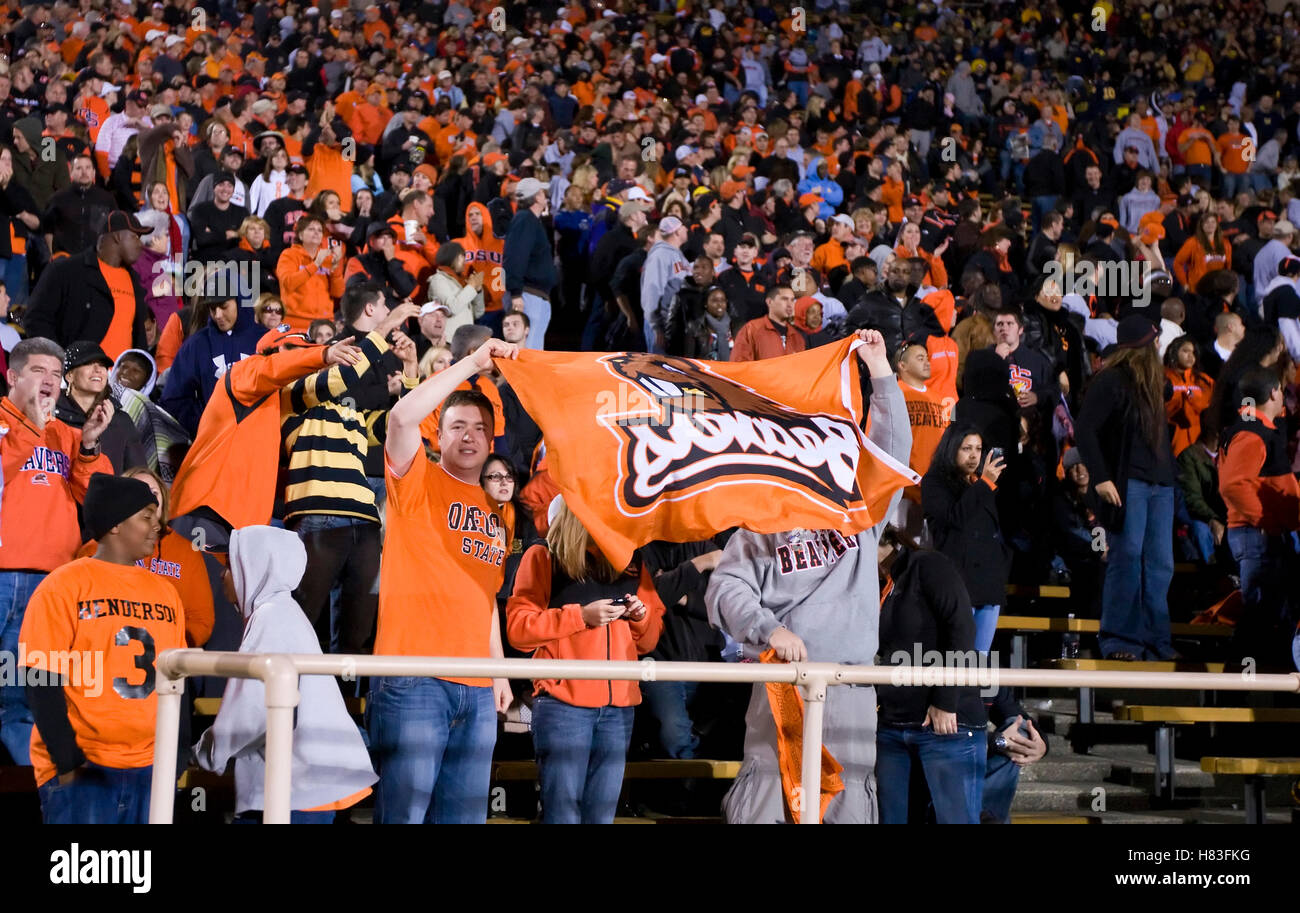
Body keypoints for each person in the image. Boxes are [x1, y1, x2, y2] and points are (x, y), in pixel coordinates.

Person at [706, 328, 911, 824]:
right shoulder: (765, 518)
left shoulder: (862, 507)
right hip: (782, 686)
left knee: (848, 804)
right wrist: (768, 629)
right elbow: (723, 588)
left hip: (850, 688)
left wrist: (880, 370)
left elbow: (893, 452)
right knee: (765, 804)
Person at [368, 333, 518, 824]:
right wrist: (472, 365)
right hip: (413, 679)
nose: (469, 436)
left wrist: (497, 670)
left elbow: (487, 596)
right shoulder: (417, 477)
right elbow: (399, 417)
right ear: (439, 435)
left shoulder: (501, 512)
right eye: (457, 427)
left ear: (491, 441)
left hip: (476, 687)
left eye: (478, 428)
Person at [21, 473, 185, 823]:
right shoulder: (63, 586)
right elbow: (41, 679)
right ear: (115, 525)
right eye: (146, 516)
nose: (158, 525)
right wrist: (67, 761)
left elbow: (177, 678)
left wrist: (176, 755)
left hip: (150, 766)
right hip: (85, 767)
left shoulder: (167, 592)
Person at [193, 525, 377, 823]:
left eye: (229, 566)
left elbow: (248, 713)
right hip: (308, 783)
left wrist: (206, 753)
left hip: (295, 789)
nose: (222, 575)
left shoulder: (270, 618)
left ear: (254, 568)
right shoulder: (285, 612)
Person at [506, 496, 664, 823]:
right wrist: (580, 617)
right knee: (562, 814)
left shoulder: (630, 561)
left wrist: (639, 617)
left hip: (619, 708)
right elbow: (519, 630)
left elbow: (649, 640)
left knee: (601, 816)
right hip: (564, 706)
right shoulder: (543, 556)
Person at [282, 292, 420, 656]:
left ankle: (342, 710)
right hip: (318, 516)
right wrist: (388, 324)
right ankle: (288, 708)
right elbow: (343, 377)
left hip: (365, 523)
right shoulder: (294, 394)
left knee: (356, 637)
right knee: (302, 622)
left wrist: (411, 370)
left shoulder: (351, 413)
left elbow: (399, 423)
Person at [0, 338, 114, 764]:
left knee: (28, 697)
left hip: (52, 582)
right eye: (36, 372)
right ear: (12, 376)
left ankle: (35, 786)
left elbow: (98, 497)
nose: (48, 382)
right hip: (4, 575)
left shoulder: (66, 433)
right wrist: (31, 426)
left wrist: (87, 447)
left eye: (54, 373)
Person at [1074, 315, 1178, 661]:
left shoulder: (1155, 385)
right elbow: (1085, 430)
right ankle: (1120, 639)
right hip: (1127, 481)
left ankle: (1156, 641)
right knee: (1128, 557)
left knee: (1160, 564)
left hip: (1160, 484)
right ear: (1144, 348)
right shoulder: (1111, 382)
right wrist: (1101, 477)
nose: (1160, 347)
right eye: (1155, 341)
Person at [874, 525, 985, 824]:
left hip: (945, 724)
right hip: (891, 726)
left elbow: (962, 628)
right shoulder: (868, 584)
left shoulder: (927, 565)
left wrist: (945, 700)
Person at [1218, 367, 1300, 668]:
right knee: (1257, 619)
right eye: (1283, 391)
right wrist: (1265, 521)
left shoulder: (1256, 428)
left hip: (1265, 535)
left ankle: (1266, 701)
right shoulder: (1251, 431)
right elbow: (1232, 484)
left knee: (1272, 619)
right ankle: (1232, 702)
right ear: (1273, 392)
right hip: (1258, 537)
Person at [920, 424, 1010, 653]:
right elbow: (954, 518)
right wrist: (985, 484)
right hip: (960, 583)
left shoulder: (980, 483)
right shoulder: (935, 482)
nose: (974, 455)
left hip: (988, 585)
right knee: (957, 658)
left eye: (978, 449)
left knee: (978, 663)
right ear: (951, 449)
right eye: (966, 448)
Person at [24, 211, 151, 360]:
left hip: (121, 379)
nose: (140, 244)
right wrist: (61, 361)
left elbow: (138, 336)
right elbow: (35, 319)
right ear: (117, 236)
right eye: (135, 237)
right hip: (78, 377)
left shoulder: (134, 280)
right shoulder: (66, 271)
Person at [159, 296, 266, 436]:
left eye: (223, 306)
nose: (218, 315)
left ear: (239, 301)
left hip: (258, 438)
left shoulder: (265, 340)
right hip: (212, 441)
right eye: (212, 308)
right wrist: (203, 423)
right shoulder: (197, 344)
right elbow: (174, 398)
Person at [54, 340, 147, 474]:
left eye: (103, 365)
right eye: (89, 363)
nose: (98, 370)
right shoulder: (51, 417)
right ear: (69, 375)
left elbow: (137, 474)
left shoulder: (120, 421)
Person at [503, 177, 555, 350]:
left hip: (534, 295)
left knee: (533, 353)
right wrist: (516, 293)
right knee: (526, 353)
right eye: (542, 192)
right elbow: (515, 257)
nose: (545, 196)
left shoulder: (530, 220)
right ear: (536, 197)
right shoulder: (525, 220)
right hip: (527, 296)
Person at [276, 214, 346, 332]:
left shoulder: (327, 259)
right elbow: (288, 283)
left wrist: (336, 267)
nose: (316, 232)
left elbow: (338, 293)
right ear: (300, 234)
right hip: (296, 322)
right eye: (311, 229)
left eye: (319, 230)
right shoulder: (289, 255)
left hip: (324, 324)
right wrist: (315, 264)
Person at [1163, 335, 1214, 458]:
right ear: (1173, 352)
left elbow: (1209, 406)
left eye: (1193, 352)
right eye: (1185, 351)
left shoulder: (1204, 381)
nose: (1191, 356)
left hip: (1198, 440)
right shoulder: (1162, 377)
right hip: (1169, 439)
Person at [730, 284, 805, 362]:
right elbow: (739, 363)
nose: (790, 305)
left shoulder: (797, 337)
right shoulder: (751, 329)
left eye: (792, 300)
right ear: (769, 302)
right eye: (784, 299)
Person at [427, 241, 485, 339]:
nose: (464, 262)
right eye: (461, 257)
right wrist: (471, 287)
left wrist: (478, 290)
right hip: (449, 341)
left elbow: (478, 312)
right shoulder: (438, 280)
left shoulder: (462, 281)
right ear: (452, 258)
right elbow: (451, 308)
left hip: (465, 341)